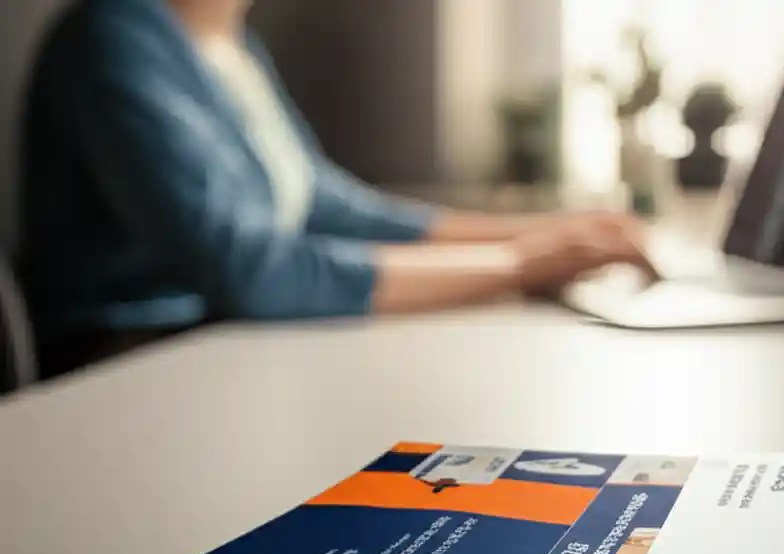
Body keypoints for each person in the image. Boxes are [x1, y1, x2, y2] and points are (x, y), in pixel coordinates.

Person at [17, 0, 653, 379]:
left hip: (222, 348)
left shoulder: (227, 43)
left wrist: (542, 232)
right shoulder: (117, 39)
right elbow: (247, 268)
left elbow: (323, 204)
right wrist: (518, 265)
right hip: (131, 362)